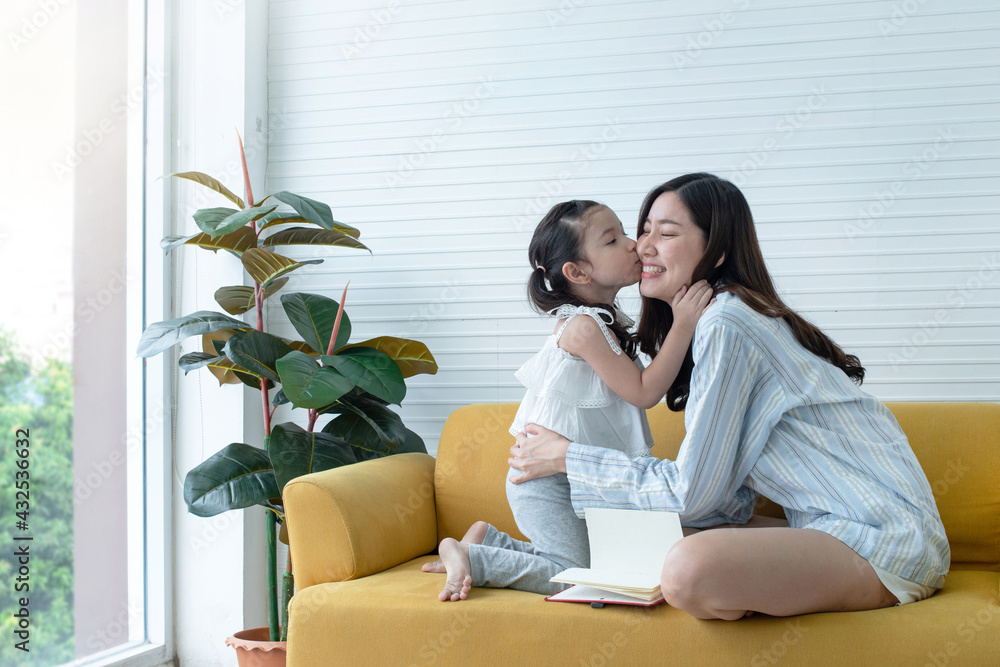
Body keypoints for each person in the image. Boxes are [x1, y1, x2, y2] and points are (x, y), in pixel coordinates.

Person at [508, 173, 950, 620]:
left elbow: (690, 494)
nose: (642, 246)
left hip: (882, 539)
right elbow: (718, 495)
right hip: (841, 527)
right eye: (644, 230)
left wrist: (568, 457)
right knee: (646, 539)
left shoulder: (728, 324)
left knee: (685, 569)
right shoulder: (724, 317)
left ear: (716, 252)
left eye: (666, 233)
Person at [422, 199, 714, 601]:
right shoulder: (583, 329)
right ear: (577, 272)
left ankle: (486, 540)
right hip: (547, 482)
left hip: (573, 478)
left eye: (624, 232)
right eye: (612, 240)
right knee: (574, 574)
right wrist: (683, 326)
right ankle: (474, 559)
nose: (634, 244)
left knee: (600, 559)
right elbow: (644, 392)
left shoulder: (602, 322)